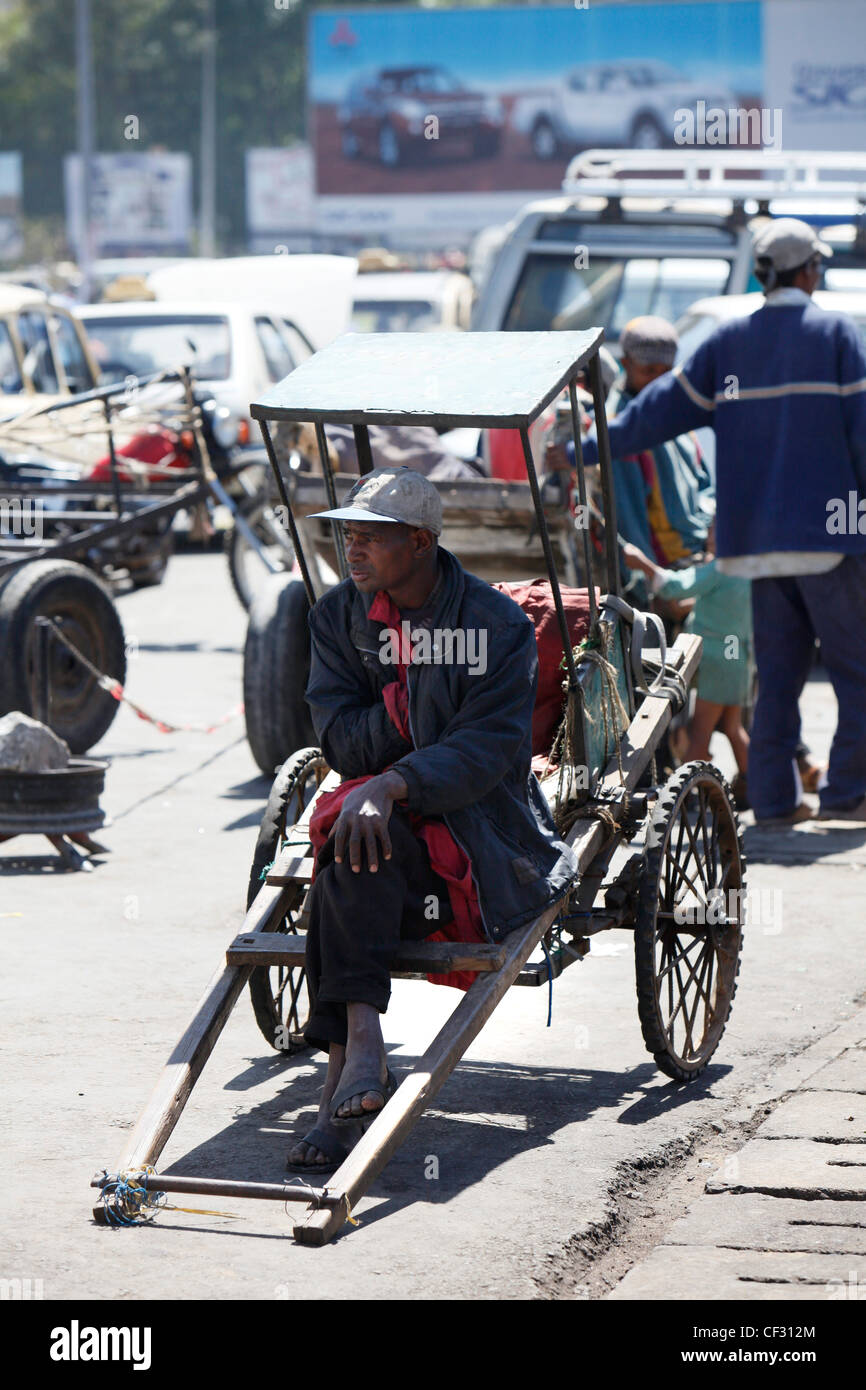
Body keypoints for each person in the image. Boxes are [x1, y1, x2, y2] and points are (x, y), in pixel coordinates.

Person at [285, 467, 578, 1171]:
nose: (350, 551)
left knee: (352, 848)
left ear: (419, 542)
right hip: (379, 810)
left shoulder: (494, 625)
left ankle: (342, 1082)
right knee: (355, 835)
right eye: (345, 536)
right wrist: (397, 729)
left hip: (480, 818)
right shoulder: (338, 617)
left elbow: (487, 750)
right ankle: (361, 1046)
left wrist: (398, 776)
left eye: (369, 539)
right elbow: (337, 735)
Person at [559, 220, 866, 826]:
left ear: (759, 274)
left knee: (776, 677)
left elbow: (651, 416)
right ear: (808, 272)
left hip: (752, 546)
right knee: (856, 670)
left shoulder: (728, 343)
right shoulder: (835, 334)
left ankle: (776, 801)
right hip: (830, 539)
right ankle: (847, 793)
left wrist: (580, 450)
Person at [622, 534, 753, 806]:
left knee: (699, 733)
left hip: (718, 659)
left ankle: (681, 796)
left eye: (718, 527)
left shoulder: (721, 567)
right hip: (736, 657)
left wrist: (642, 563)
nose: (710, 535)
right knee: (732, 727)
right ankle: (758, 788)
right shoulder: (747, 567)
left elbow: (674, 586)